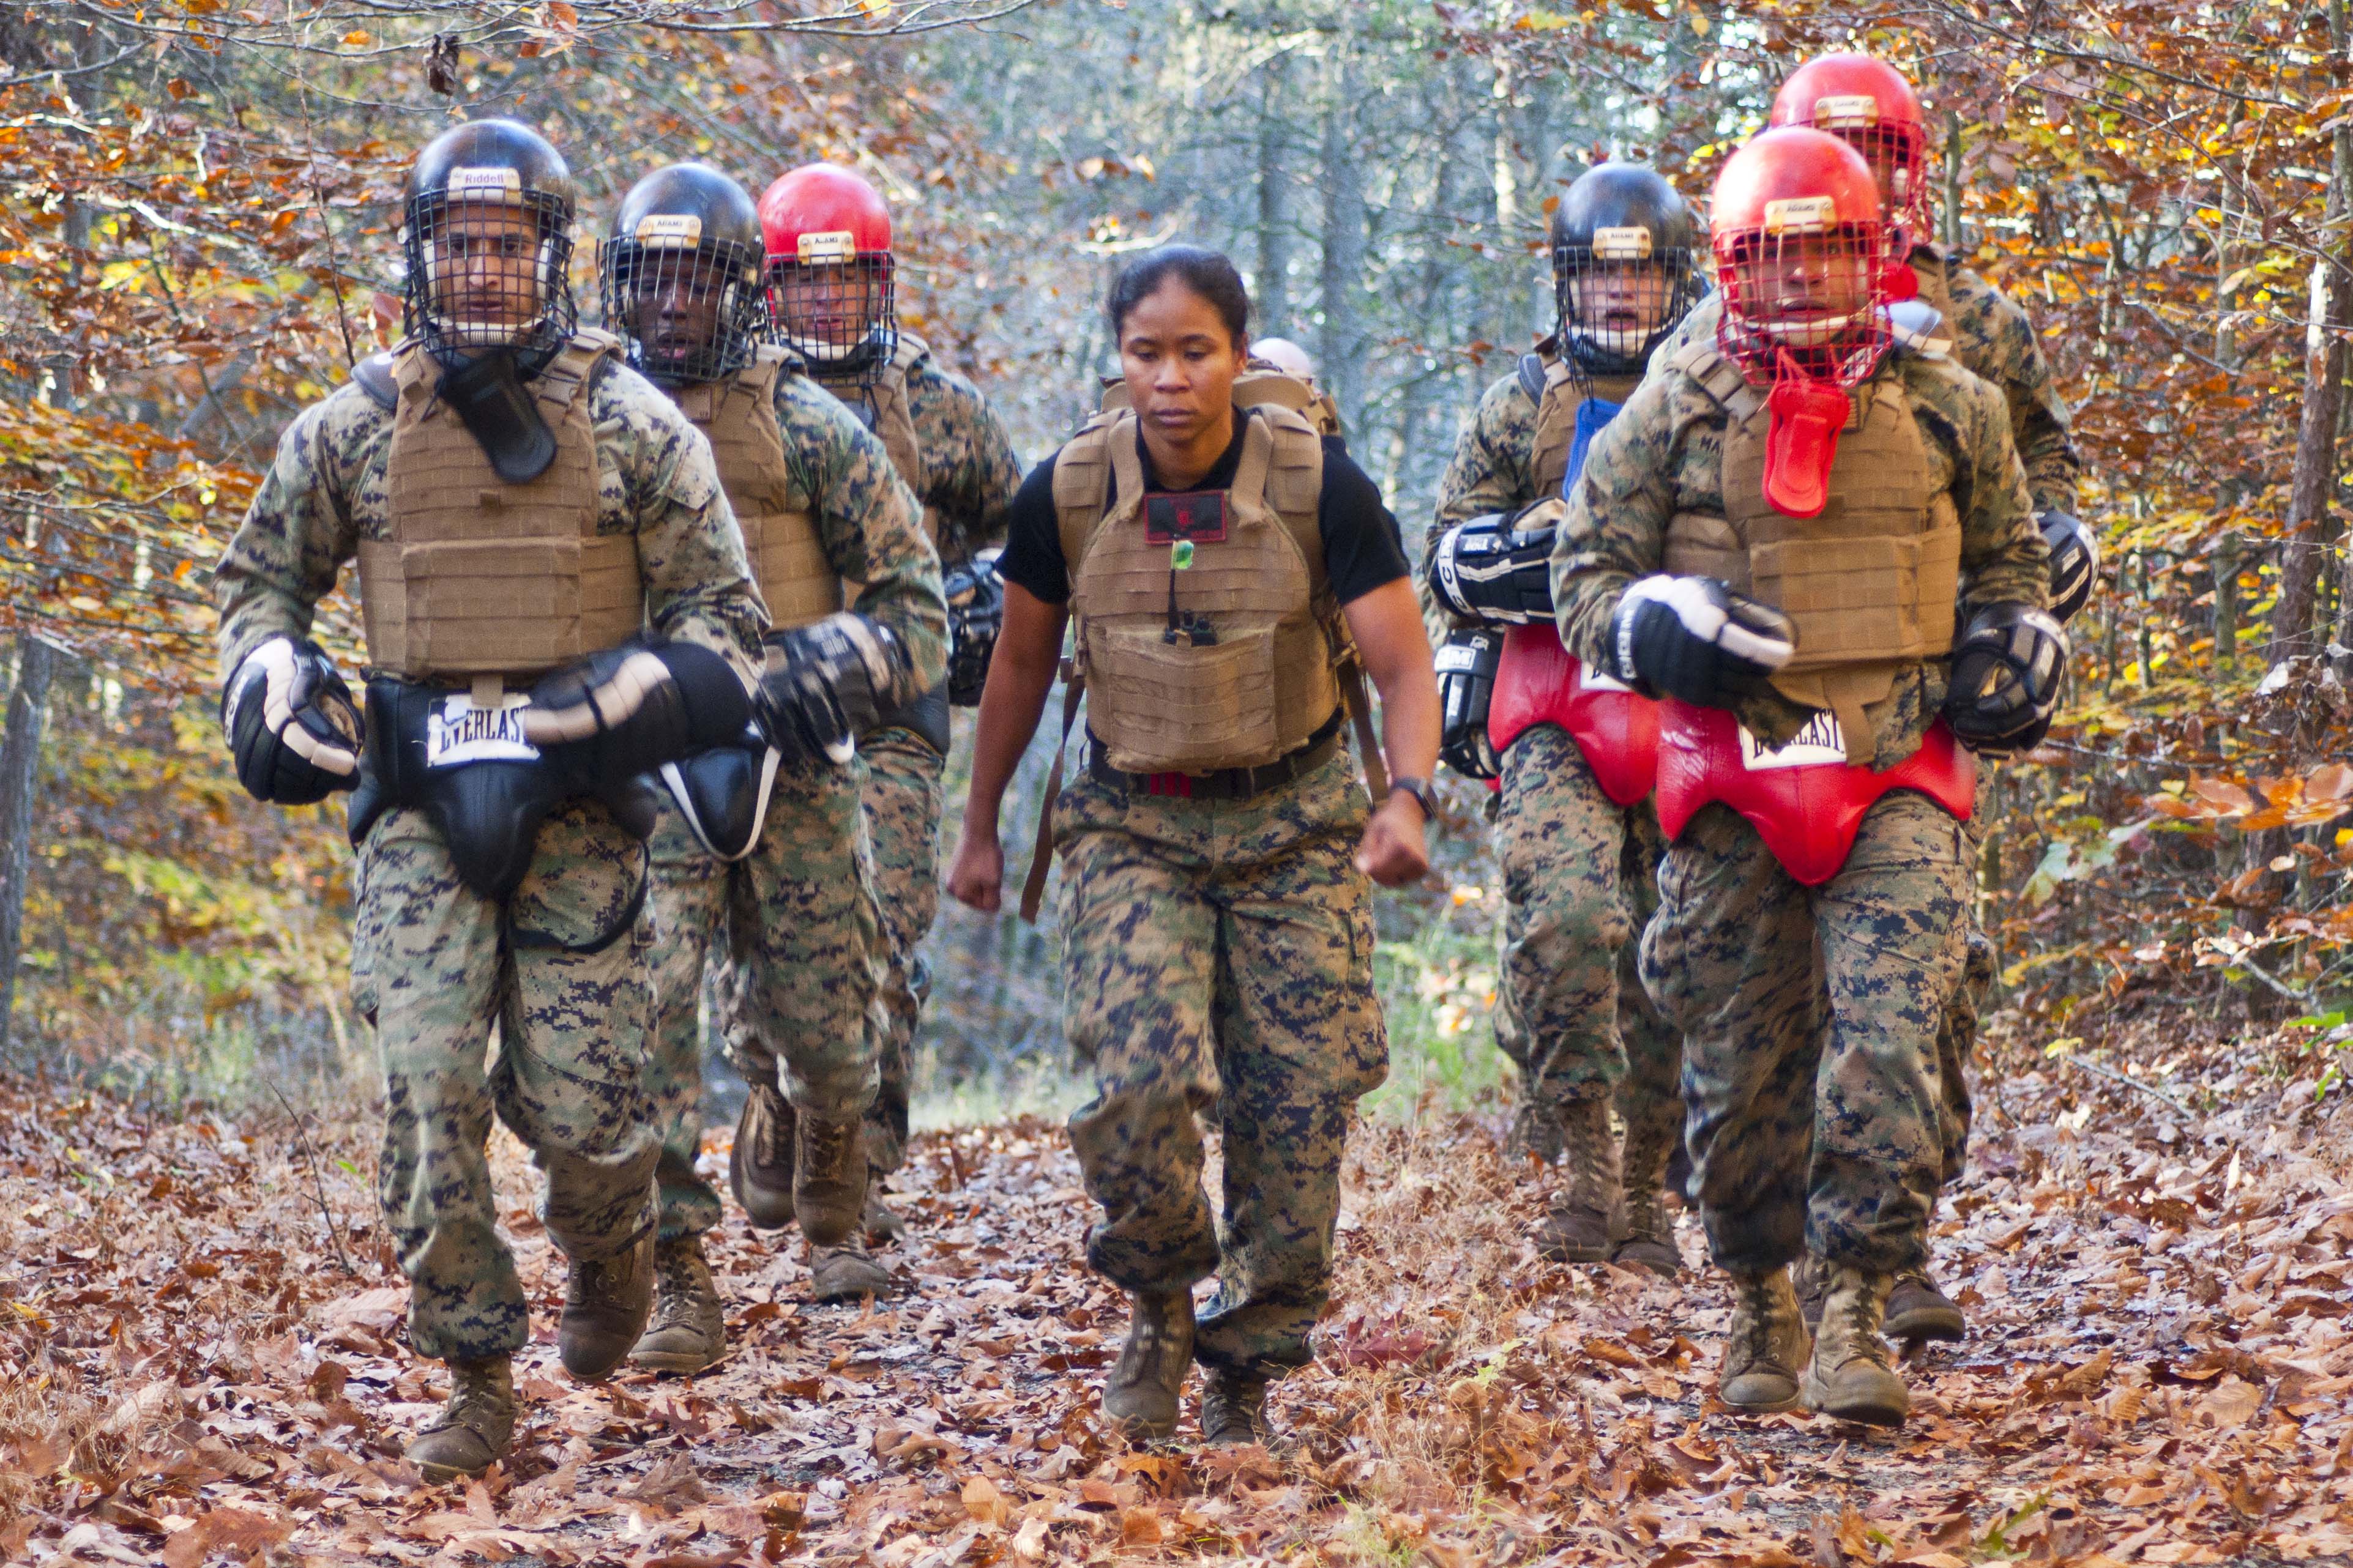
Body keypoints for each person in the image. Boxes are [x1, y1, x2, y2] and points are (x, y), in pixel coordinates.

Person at [211, 121, 767, 1479]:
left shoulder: (633, 423)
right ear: (420, 254)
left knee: (585, 1116)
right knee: (424, 1085)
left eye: (505, 245)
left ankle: (616, 1245)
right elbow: (257, 591)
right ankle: (473, 1368)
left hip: (582, 803)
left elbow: (727, 618)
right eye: (456, 243)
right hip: (414, 798)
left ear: (550, 257)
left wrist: (658, 690)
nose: (479, 270)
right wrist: (274, 681)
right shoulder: (353, 427)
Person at [1551, 127, 2060, 1424]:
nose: (1799, 280)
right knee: (1739, 1082)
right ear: (1731, 262)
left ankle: (1853, 1312)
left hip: (1899, 771)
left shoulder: (1953, 403)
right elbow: (1582, 580)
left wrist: (2016, 642)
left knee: (1886, 1049)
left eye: (1826, 250)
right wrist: (1650, 627)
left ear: (1873, 248)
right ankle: (1761, 1298)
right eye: (1772, 256)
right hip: (1728, 784)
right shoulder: (1672, 399)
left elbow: (2013, 562)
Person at [944, 246, 1440, 1444]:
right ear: (1118, 360)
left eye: (1196, 352)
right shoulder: (1063, 492)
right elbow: (1018, 664)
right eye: (1145, 354)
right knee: (1140, 1075)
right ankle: (1161, 1305)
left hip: (1297, 820)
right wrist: (981, 828)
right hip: (1132, 825)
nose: (1170, 380)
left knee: (1297, 1103)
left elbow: (1402, 663)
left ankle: (1245, 1366)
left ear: (1237, 353)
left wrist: (1409, 795)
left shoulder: (1324, 487)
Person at [1652, 51, 2096, 1342]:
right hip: (1754, 723)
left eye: (1892, 149)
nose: (1881, 177)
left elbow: (2040, 469)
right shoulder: (1713, 327)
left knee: (1922, 990)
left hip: (1926, 705)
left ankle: (1886, 1251)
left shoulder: (1978, 325)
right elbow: (1630, 503)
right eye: (1850, 149)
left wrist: (2049, 573)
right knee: (1754, 1013)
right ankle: (1764, 1266)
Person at [597, 163, 947, 1367]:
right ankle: (681, 1281)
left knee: (827, 1017)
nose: (672, 301)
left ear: (741, 287)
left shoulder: (807, 424)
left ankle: (835, 1195)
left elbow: (914, 601)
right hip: (649, 765)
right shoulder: (581, 426)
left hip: (797, 755)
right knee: (640, 1022)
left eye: (695, 275)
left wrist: (842, 659)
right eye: (651, 274)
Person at [1421, 165, 1701, 1274]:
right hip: (1550, 709)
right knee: (1569, 925)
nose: (1618, 297)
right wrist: (1521, 551)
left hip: (1688, 710)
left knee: (1674, 953)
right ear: (1564, 284)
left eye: (1639, 276)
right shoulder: (1517, 405)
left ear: (1675, 281)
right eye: (1597, 275)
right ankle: (1587, 1168)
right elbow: (1441, 557)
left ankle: (1646, 1194)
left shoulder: (1719, 392)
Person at [758, 164, 1023, 1234]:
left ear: (882, 283)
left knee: (882, 927)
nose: (827, 303)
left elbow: (1027, 533)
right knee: (765, 943)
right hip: (762, 706)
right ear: (769, 288)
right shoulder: (729, 403)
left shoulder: (940, 408)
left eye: (847, 280)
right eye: (804, 283)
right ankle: (776, 1098)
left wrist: (976, 595)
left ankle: (859, 1172)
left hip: (894, 709)